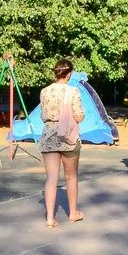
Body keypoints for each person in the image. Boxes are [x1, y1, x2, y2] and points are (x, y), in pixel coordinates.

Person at [39, 59, 86, 228]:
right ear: (70, 74)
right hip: (68, 137)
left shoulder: (45, 91)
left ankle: (50, 218)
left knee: (51, 177)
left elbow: (42, 115)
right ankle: (73, 213)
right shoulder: (73, 91)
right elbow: (79, 115)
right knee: (71, 176)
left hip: (49, 134)